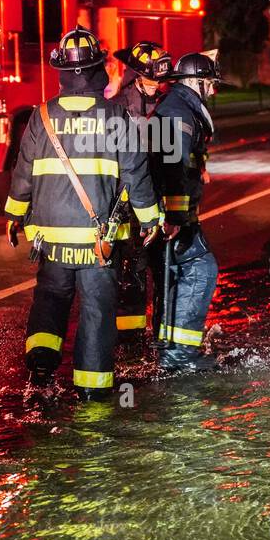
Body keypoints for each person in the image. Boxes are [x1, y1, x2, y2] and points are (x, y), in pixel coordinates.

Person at [4, 28, 161, 400]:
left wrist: (13, 216)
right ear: (94, 70)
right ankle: (91, 391)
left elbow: (23, 170)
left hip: (50, 239)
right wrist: (150, 219)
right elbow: (135, 172)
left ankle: (41, 368)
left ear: (62, 72)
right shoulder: (116, 116)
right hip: (97, 241)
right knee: (96, 307)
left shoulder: (41, 116)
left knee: (52, 296)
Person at [152, 52, 226, 372]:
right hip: (171, 217)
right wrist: (175, 218)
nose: (213, 90)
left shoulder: (181, 109)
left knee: (175, 278)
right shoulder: (176, 112)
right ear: (196, 81)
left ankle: (172, 351)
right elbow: (171, 169)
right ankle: (179, 355)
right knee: (200, 270)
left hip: (172, 215)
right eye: (210, 83)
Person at [108, 41, 172, 340]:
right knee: (132, 273)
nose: (160, 82)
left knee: (163, 270)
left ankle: (161, 333)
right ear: (139, 75)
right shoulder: (120, 107)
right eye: (155, 76)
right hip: (128, 203)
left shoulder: (165, 103)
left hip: (156, 198)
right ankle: (130, 342)